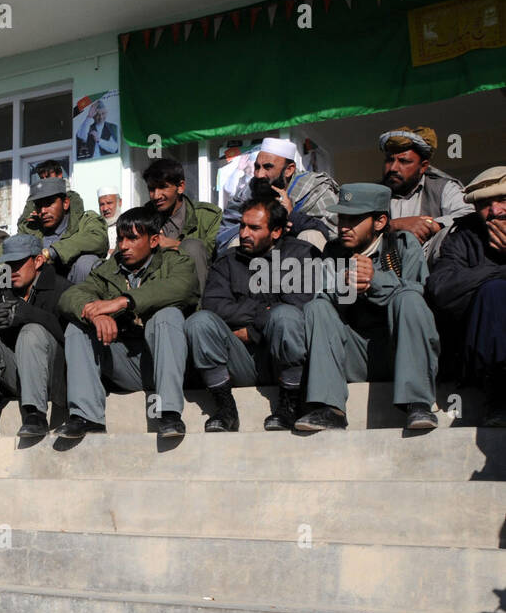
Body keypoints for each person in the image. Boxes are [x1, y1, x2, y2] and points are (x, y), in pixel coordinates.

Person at [297, 183, 440, 432]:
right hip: (355, 356)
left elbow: (420, 296)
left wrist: (375, 280)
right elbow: (323, 300)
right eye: (342, 218)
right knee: (317, 308)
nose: (344, 227)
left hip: (400, 351)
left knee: (409, 299)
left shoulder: (403, 244)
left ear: (379, 221)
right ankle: (329, 408)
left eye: (354, 220)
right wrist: (344, 287)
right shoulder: (333, 251)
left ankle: (418, 403)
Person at [57, 206, 200, 439]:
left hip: (172, 363)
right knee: (78, 326)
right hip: (130, 365)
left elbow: (182, 288)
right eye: (120, 238)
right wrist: (96, 315)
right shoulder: (108, 269)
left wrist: (123, 302)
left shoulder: (176, 262)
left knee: (167, 316)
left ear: (154, 240)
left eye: (132, 238)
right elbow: (70, 297)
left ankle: (170, 414)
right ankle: (87, 417)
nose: (123, 246)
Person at [183, 196, 316, 432]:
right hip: (241, 358)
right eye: (242, 225)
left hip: (285, 358)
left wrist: (254, 330)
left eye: (254, 228)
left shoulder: (301, 255)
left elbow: (301, 305)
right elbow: (214, 306)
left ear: (276, 232)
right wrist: (263, 314)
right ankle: (225, 409)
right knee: (198, 322)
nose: (244, 233)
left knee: (286, 316)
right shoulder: (228, 261)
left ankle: (289, 406)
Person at [0, 235, 66, 440]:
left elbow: (70, 339)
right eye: (9, 264)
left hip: (53, 375)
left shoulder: (60, 288)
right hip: (17, 375)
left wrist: (27, 314)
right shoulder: (1, 292)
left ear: (38, 261)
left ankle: (35, 415)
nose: (12, 270)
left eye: (18, 263)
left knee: (31, 331)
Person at [425, 165, 506, 426]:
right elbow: (441, 290)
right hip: (480, 353)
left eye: (503, 200)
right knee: (494, 292)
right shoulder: (463, 238)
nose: (495, 211)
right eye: (485, 203)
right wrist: (497, 271)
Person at [217, 138, 339, 252]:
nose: (259, 174)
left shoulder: (314, 189)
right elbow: (224, 233)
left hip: (299, 262)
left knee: (311, 235)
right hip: (258, 262)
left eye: (267, 167)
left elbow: (334, 234)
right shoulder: (249, 190)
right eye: (257, 167)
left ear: (289, 170)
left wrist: (293, 217)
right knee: (237, 241)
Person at [380, 126, 473, 255]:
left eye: (403, 161)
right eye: (389, 160)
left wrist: (431, 225)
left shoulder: (442, 188)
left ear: (423, 166)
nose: (393, 168)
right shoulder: (373, 194)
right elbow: (349, 230)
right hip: (381, 270)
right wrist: (396, 225)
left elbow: (469, 214)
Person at [143, 157, 221, 292]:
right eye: (151, 189)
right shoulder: (142, 218)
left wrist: (175, 245)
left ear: (180, 187)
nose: (156, 196)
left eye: (162, 187)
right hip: (158, 294)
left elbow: (210, 255)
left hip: (200, 294)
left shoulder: (209, 216)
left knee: (193, 246)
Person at [16, 176, 108, 285]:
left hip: (74, 286)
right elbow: (5, 250)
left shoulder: (86, 220)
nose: (43, 211)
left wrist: (53, 252)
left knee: (86, 262)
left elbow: (98, 239)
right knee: (0, 273)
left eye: (49, 203)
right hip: (40, 289)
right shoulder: (30, 227)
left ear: (65, 203)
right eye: (39, 206)